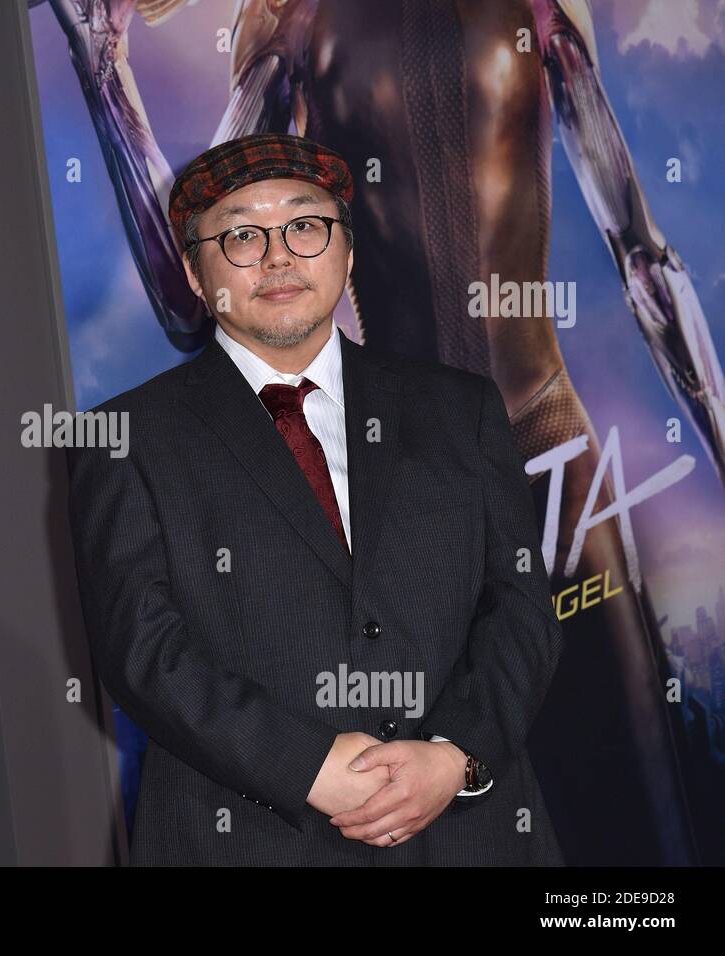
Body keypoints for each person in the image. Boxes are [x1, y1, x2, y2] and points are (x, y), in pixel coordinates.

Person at [65, 133, 566, 865]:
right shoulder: (127, 439)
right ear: (195, 275)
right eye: (242, 235)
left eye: (305, 225)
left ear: (347, 253)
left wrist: (455, 755)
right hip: (249, 839)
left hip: (470, 836)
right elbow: (143, 651)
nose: (278, 257)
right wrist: (307, 766)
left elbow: (521, 610)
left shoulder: (460, 410)